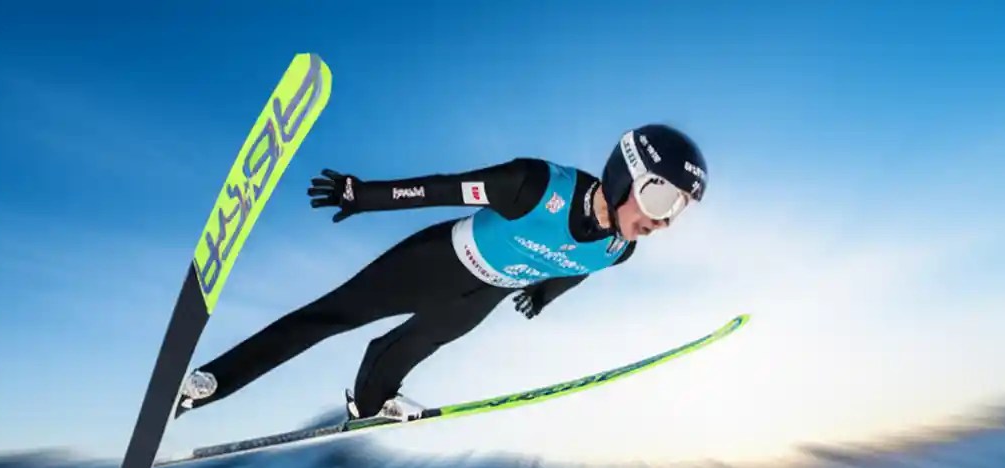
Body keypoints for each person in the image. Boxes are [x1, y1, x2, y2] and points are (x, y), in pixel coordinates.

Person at [174, 123, 708, 422]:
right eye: (659, 195)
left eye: (678, 208)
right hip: (434, 263)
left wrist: (545, 294)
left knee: (409, 350)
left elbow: (579, 265)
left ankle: (367, 404)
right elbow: (442, 188)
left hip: (481, 296)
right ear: (624, 176)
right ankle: (208, 384)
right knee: (328, 317)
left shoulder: (619, 250)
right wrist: (364, 197)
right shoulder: (533, 185)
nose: (661, 220)